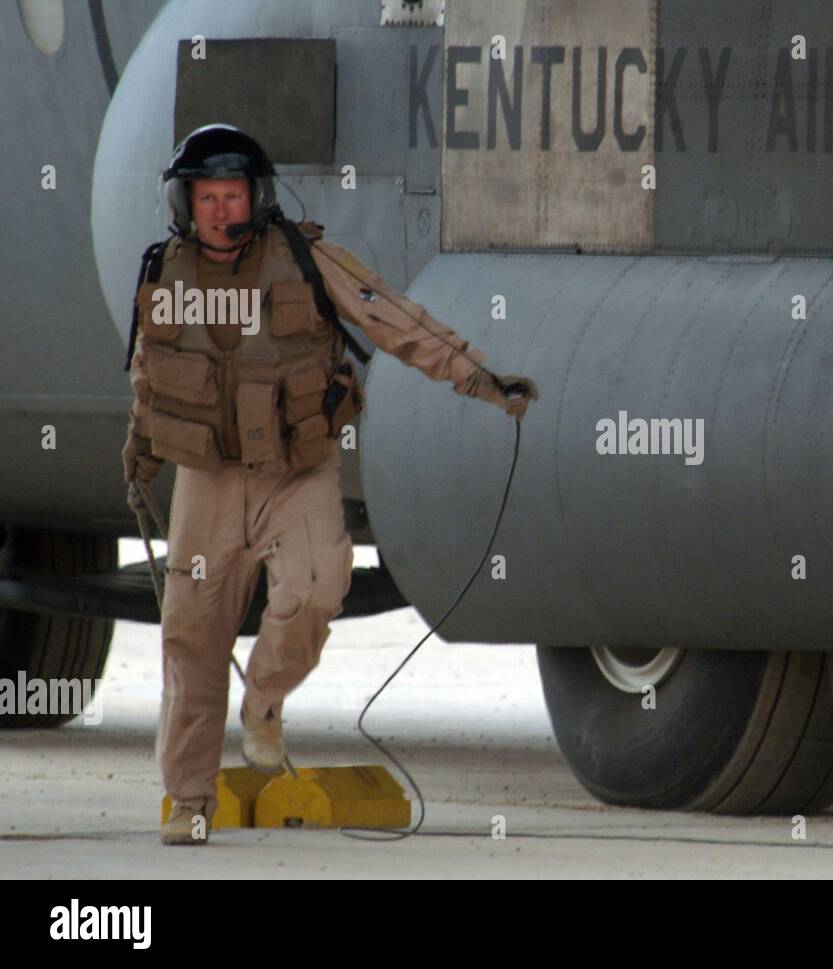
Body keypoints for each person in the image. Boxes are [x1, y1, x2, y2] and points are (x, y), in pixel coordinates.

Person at [121, 124, 537, 846]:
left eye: (234, 195)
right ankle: (190, 798)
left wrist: (477, 375)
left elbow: (391, 315)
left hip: (296, 470)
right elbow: (148, 374)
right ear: (186, 202)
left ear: (258, 197)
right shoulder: (165, 273)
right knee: (191, 638)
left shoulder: (304, 260)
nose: (222, 210)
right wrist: (140, 452)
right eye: (208, 197)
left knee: (318, 585)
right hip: (208, 482)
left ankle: (264, 701)